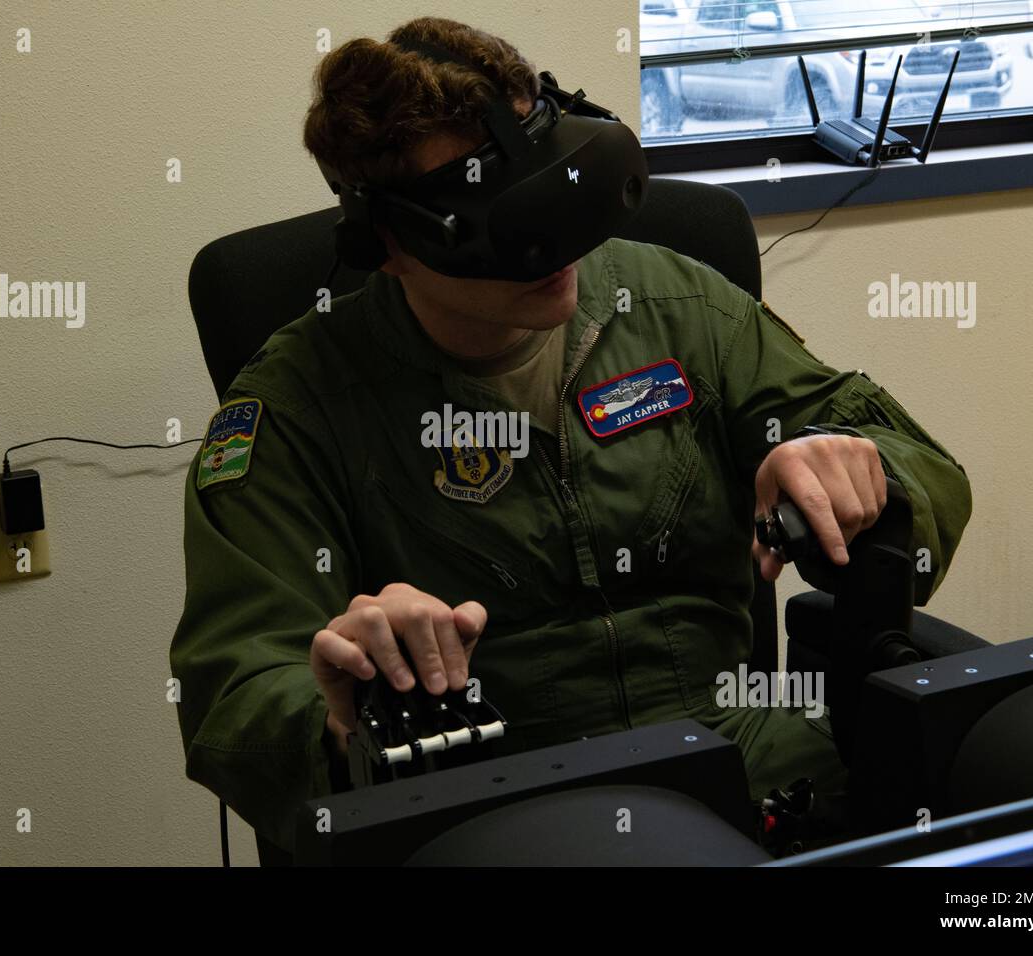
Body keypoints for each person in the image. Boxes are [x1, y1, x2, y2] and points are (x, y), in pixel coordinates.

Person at [169, 16, 972, 862]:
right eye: (500, 222)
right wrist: (339, 712)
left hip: (748, 762)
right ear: (389, 247)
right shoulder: (299, 407)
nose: (553, 248)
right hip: (493, 800)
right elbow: (234, 687)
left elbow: (925, 467)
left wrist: (862, 470)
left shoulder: (676, 306)